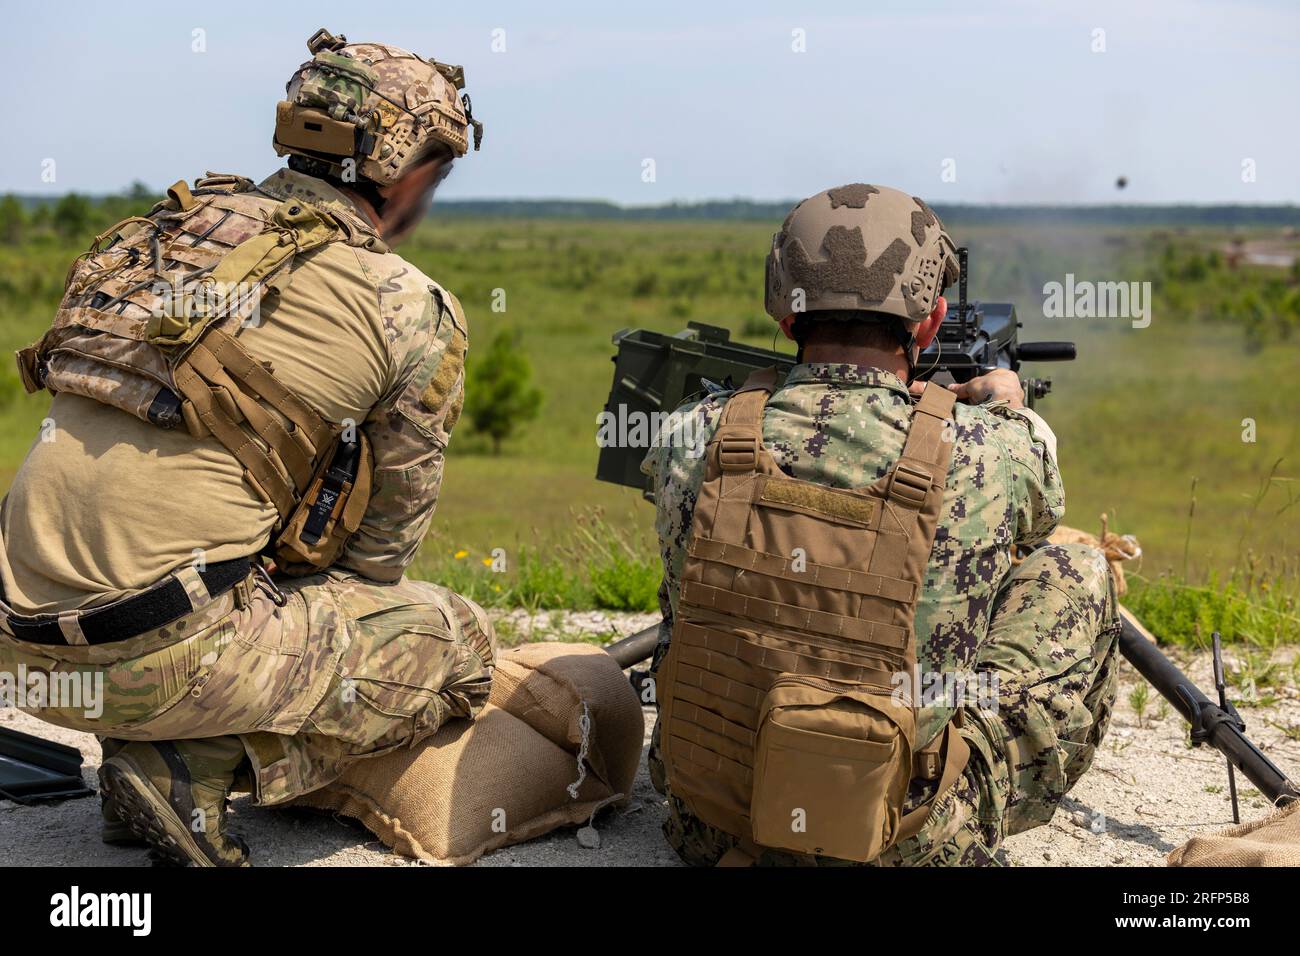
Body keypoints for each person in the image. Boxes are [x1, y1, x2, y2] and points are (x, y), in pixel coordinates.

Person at [0, 29, 494, 866]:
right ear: (408, 170)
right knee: (458, 642)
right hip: (154, 655)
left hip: (18, 651)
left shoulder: (160, 231)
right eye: (438, 174)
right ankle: (194, 763)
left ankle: (155, 756)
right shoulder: (411, 307)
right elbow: (378, 561)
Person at [642, 183, 1121, 866]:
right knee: (1077, 569)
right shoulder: (994, 449)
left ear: (786, 319)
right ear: (929, 324)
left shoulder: (692, 435)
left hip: (714, 825)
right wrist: (1005, 404)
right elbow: (1042, 507)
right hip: (906, 841)